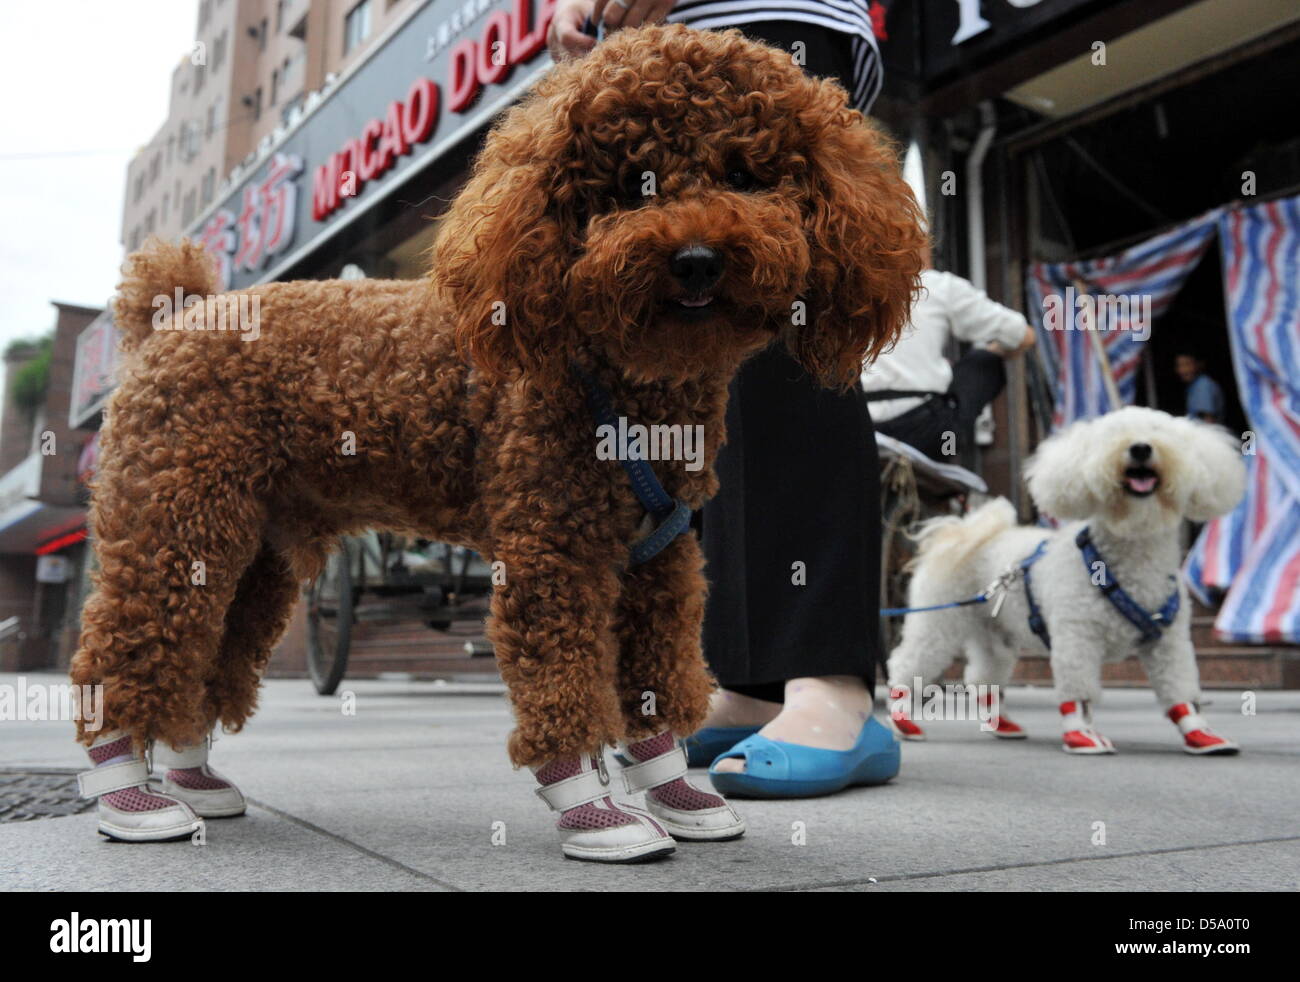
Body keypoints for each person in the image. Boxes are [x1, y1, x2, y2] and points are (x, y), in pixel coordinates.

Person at [550, 1, 899, 797]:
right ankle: (748, 683)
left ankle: (830, 682)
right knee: (705, 379)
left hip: (771, 17)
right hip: (636, 33)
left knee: (790, 331)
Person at [863, 262, 1035, 460]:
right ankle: (948, 457)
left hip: (858, 430)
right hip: (932, 436)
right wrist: (991, 350)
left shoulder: (844, 289)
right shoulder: (935, 285)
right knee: (985, 362)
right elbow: (1023, 336)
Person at [1176, 352, 1225, 424]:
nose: (1182, 370)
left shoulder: (1203, 385)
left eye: (1187, 364)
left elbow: (1208, 421)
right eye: (1179, 365)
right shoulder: (1194, 385)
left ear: (1199, 364)